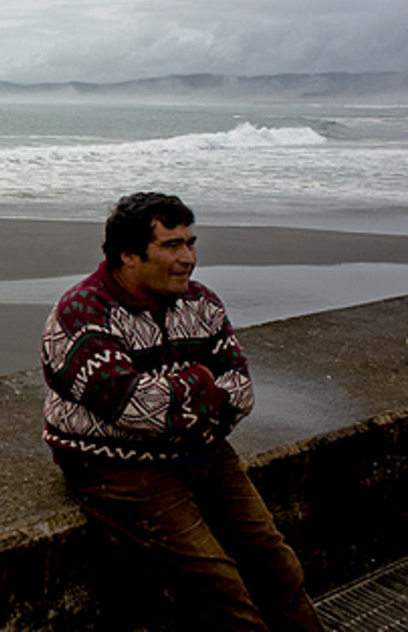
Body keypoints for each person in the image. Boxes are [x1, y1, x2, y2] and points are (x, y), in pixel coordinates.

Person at [40, 192, 323, 631]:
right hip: (115, 467)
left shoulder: (201, 304)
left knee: (276, 564)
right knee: (218, 587)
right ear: (128, 255)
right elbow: (133, 407)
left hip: (202, 453)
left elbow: (242, 389)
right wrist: (202, 386)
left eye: (190, 243)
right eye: (172, 245)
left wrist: (181, 398)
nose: (188, 258)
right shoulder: (82, 313)